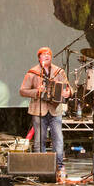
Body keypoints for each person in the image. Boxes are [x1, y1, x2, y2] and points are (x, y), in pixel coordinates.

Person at [20, 47, 73, 178]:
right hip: (39, 110)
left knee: (58, 139)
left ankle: (59, 166)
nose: (46, 56)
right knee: (39, 140)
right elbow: (22, 91)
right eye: (43, 55)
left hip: (55, 110)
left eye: (48, 54)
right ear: (39, 58)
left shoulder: (58, 72)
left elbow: (68, 87)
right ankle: (41, 167)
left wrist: (68, 92)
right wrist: (36, 91)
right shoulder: (32, 72)